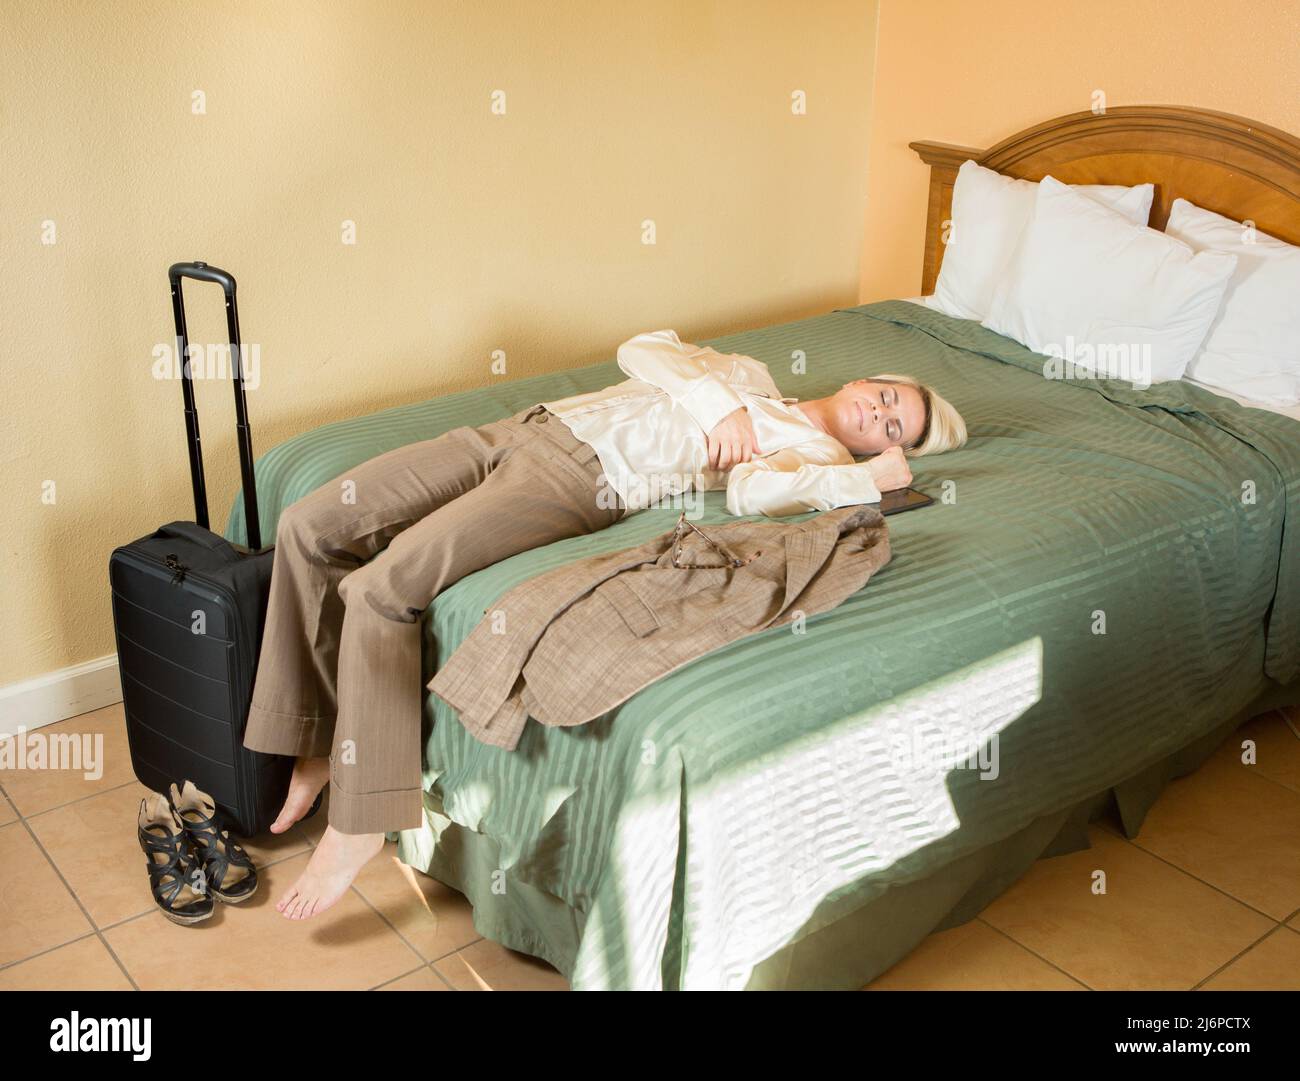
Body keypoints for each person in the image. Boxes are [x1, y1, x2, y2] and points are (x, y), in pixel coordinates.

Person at [243, 329, 968, 920]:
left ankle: (362, 818)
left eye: (894, 427)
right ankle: (315, 740)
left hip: (578, 481)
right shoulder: (747, 372)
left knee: (380, 589)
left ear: (884, 446)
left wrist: (861, 481)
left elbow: (754, 495)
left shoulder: (817, 453)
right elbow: (643, 349)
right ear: (863, 380)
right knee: (309, 524)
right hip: (523, 428)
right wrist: (720, 407)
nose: (878, 413)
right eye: (886, 396)